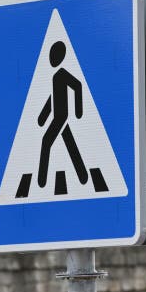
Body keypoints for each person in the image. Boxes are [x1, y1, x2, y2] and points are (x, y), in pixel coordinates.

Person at [37, 40, 88, 188]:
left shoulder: (63, 74)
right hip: (58, 117)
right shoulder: (56, 76)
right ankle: (83, 175)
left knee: (46, 142)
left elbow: (77, 86)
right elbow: (53, 98)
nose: (51, 59)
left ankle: (41, 181)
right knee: (70, 144)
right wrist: (43, 116)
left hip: (61, 117)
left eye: (53, 56)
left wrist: (79, 111)